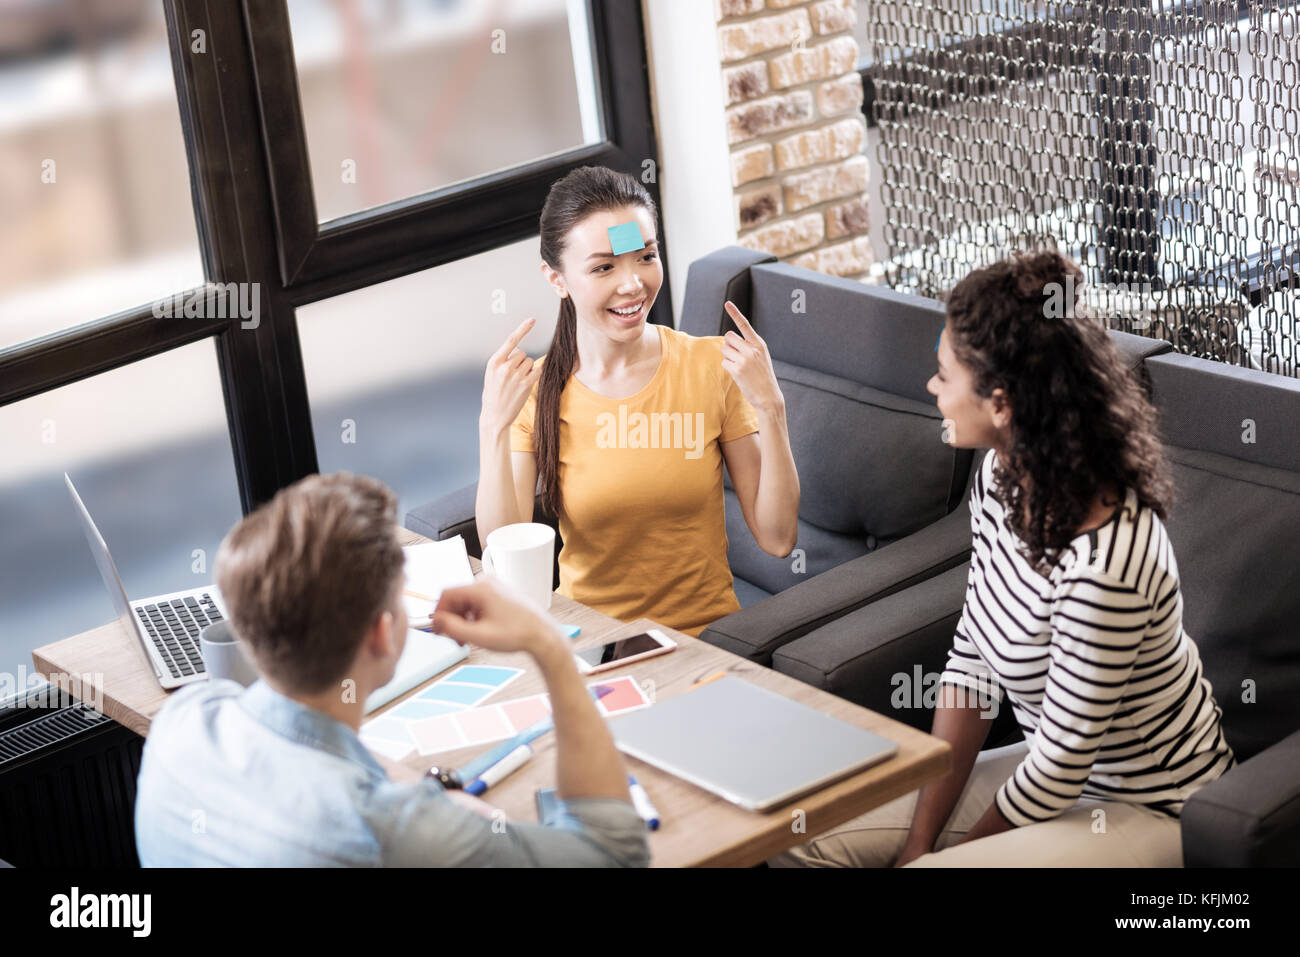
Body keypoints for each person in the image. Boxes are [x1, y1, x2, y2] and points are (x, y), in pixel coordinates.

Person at [771, 250, 1237, 867]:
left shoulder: (1110, 559)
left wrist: (942, 856)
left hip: (1149, 805)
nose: (933, 389)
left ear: (1001, 404)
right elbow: (971, 664)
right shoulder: (999, 475)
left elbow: (1062, 764)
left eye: (944, 374)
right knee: (805, 834)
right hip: (1050, 771)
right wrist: (919, 839)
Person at [134, 472, 649, 867]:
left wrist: (427, 810)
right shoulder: (388, 832)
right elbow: (613, 850)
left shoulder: (182, 722)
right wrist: (548, 646)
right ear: (383, 633)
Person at [476, 165, 800, 637]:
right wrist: (493, 428)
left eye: (645, 256)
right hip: (591, 643)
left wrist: (772, 408)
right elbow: (503, 555)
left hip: (704, 645)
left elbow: (778, 539)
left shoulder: (711, 367)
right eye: (603, 267)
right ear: (556, 279)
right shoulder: (537, 389)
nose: (632, 284)